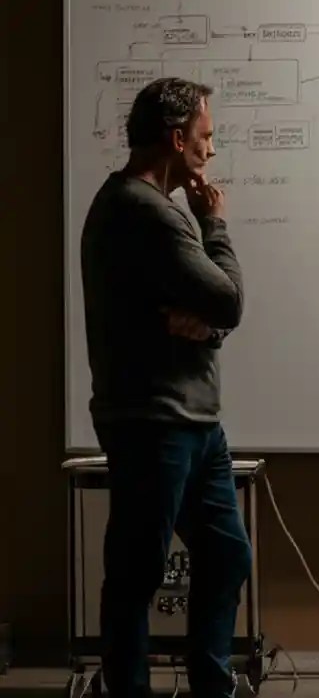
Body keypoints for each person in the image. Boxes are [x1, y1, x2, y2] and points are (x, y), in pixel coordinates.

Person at [80, 76, 250, 698]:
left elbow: (209, 317)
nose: (212, 148)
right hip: (154, 421)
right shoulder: (143, 212)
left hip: (195, 422)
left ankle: (211, 685)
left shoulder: (148, 209)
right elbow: (228, 300)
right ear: (177, 139)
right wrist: (215, 224)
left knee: (226, 555)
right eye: (206, 135)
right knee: (137, 571)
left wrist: (207, 328)